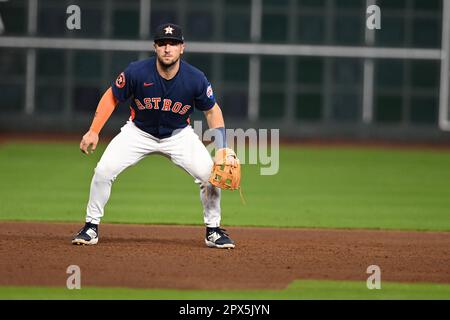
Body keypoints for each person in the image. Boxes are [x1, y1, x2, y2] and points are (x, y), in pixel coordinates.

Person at [72, 23, 237, 249]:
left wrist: (221, 148)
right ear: (155, 47)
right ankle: (91, 226)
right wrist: (94, 130)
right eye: (162, 43)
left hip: (179, 135)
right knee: (103, 171)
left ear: (182, 48)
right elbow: (112, 96)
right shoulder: (136, 72)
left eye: (173, 43)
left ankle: (213, 230)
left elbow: (212, 110)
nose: (167, 48)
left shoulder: (195, 78)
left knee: (211, 176)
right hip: (138, 132)